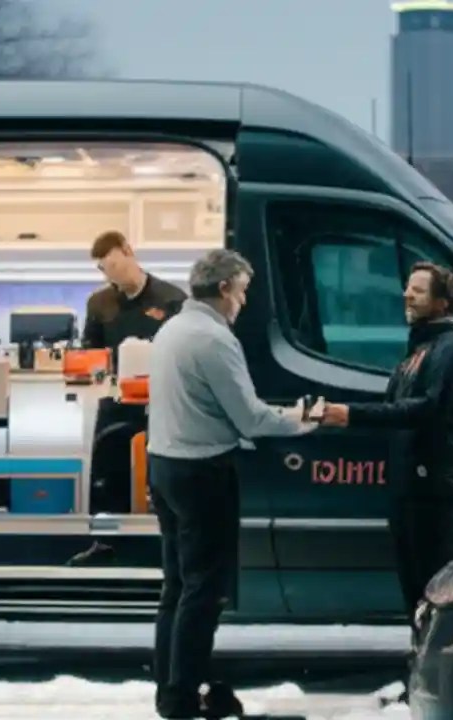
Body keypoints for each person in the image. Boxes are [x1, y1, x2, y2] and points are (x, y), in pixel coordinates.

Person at [146, 248, 317, 719]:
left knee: (177, 587)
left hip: (165, 465)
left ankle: (170, 692)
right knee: (204, 592)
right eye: (242, 291)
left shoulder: (172, 329)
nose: (243, 301)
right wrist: (305, 419)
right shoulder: (214, 338)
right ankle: (183, 699)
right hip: (202, 473)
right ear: (223, 288)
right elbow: (251, 418)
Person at [319, 261, 453, 699]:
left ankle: (437, 685)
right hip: (408, 484)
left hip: (431, 486)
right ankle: (421, 680)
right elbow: (396, 405)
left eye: (418, 291)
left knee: (432, 590)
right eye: (408, 288)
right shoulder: (421, 347)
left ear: (442, 302)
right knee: (415, 591)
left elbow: (427, 410)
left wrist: (350, 415)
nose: (406, 295)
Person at [68, 230, 187, 567]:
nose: (113, 277)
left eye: (116, 267)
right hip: (116, 401)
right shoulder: (100, 303)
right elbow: (91, 353)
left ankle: (170, 543)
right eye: (105, 271)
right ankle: (105, 541)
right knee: (107, 472)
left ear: (128, 251)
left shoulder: (171, 299)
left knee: (165, 473)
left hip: (162, 403)